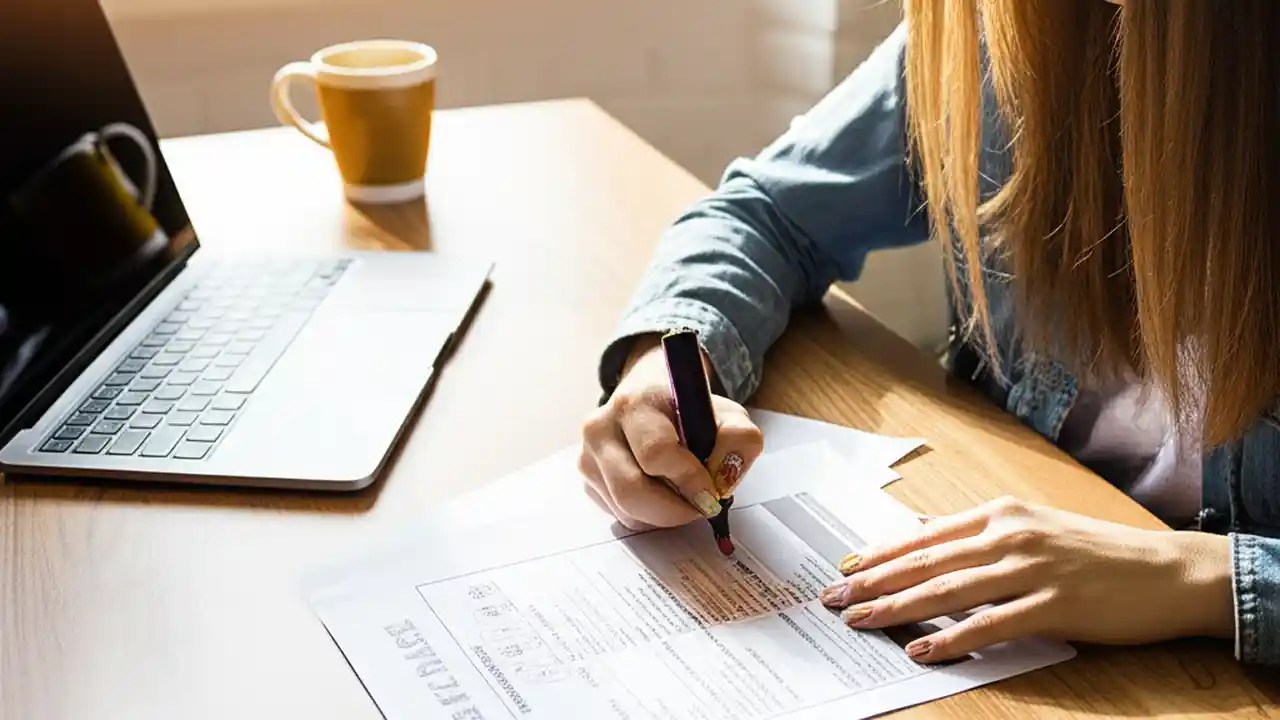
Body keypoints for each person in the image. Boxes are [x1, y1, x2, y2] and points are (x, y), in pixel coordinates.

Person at [578, 0, 1280, 666]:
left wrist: (1209, 578)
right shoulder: (1001, 31)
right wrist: (665, 363)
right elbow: (770, 214)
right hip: (1009, 584)